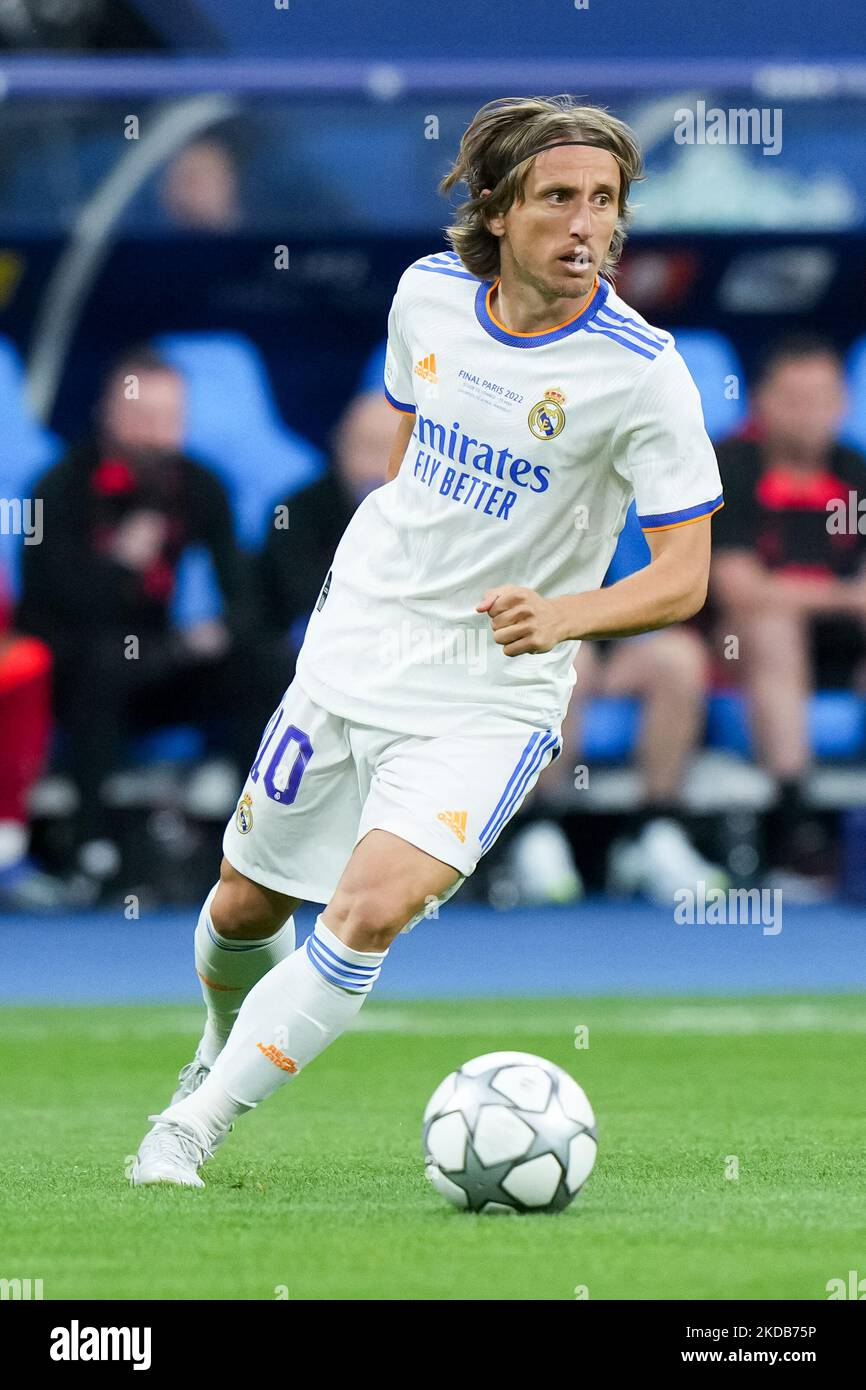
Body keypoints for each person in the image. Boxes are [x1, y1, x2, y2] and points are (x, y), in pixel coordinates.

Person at [131, 95, 723, 1188]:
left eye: (603, 201)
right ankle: (213, 1046)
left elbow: (684, 575)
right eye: (557, 198)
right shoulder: (427, 297)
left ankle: (192, 1130)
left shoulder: (643, 372)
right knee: (242, 904)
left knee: (370, 907)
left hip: (491, 691)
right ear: (498, 209)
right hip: (360, 644)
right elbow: (409, 456)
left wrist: (563, 615)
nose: (583, 223)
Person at [19, 347, 292, 885]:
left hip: (166, 659)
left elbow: (242, 592)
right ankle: (92, 847)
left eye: (170, 420)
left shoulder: (199, 486)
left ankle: (260, 841)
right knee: (101, 663)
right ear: (110, 413)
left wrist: (218, 633)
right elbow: (44, 607)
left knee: (261, 663)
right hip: (83, 670)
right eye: (144, 419)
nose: (158, 435)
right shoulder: (59, 488)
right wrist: (115, 566)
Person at [712, 334, 866, 878]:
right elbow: (740, 589)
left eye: (823, 399)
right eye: (795, 400)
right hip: (739, 649)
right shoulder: (730, 466)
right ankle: (794, 825)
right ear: (762, 403)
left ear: (844, 404)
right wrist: (844, 596)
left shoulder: (855, 473)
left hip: (841, 645)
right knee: (773, 626)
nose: (811, 415)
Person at [259, 389, 395, 659]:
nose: (378, 467)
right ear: (341, 446)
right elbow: (301, 599)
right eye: (368, 447)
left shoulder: (428, 516)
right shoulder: (289, 510)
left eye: (391, 449)